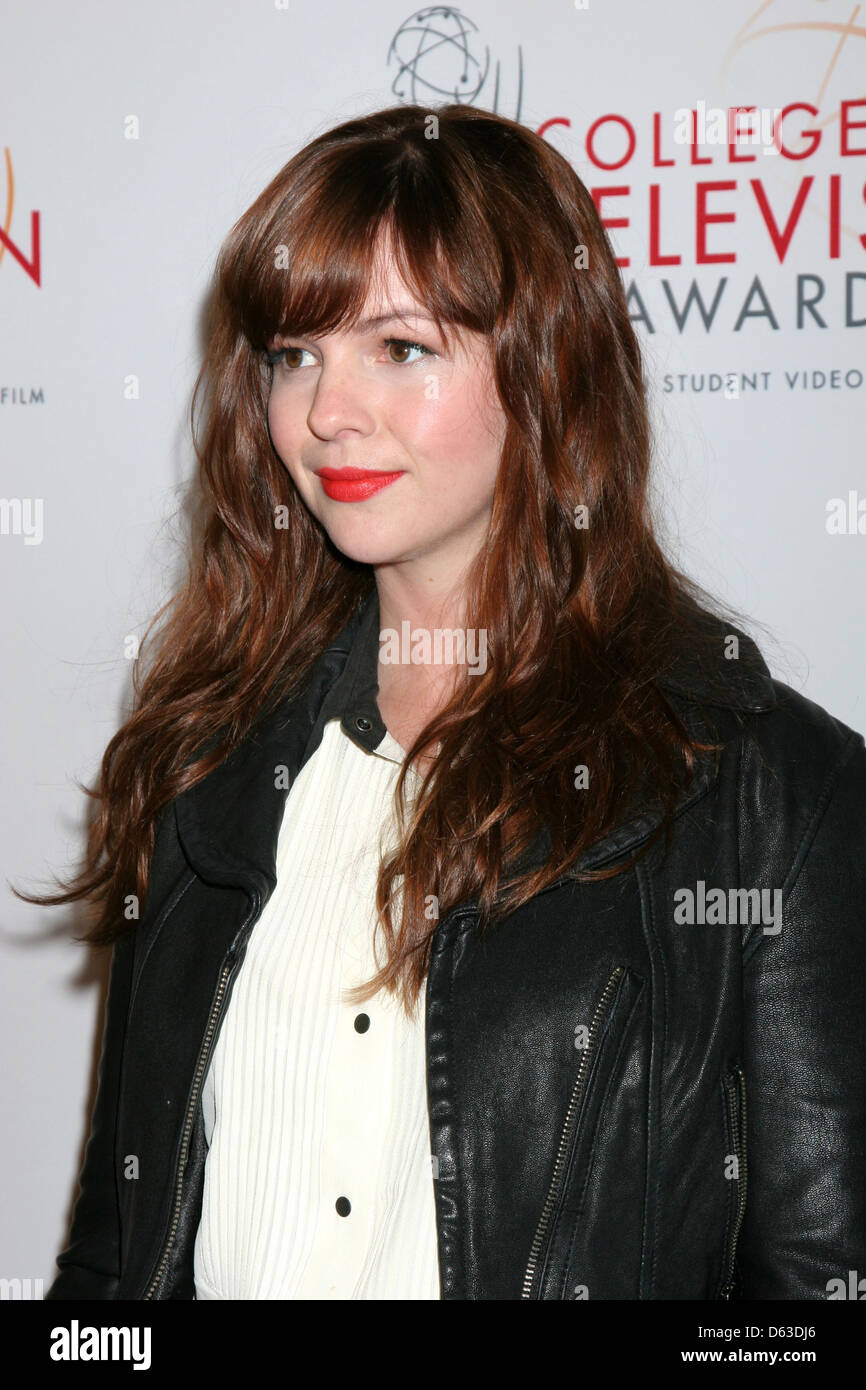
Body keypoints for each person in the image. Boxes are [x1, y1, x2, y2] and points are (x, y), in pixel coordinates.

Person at [19, 102, 865, 1301]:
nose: (324, 413)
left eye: (399, 349)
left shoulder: (773, 796)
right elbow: (114, 1268)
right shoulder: (208, 756)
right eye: (292, 354)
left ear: (547, 367)